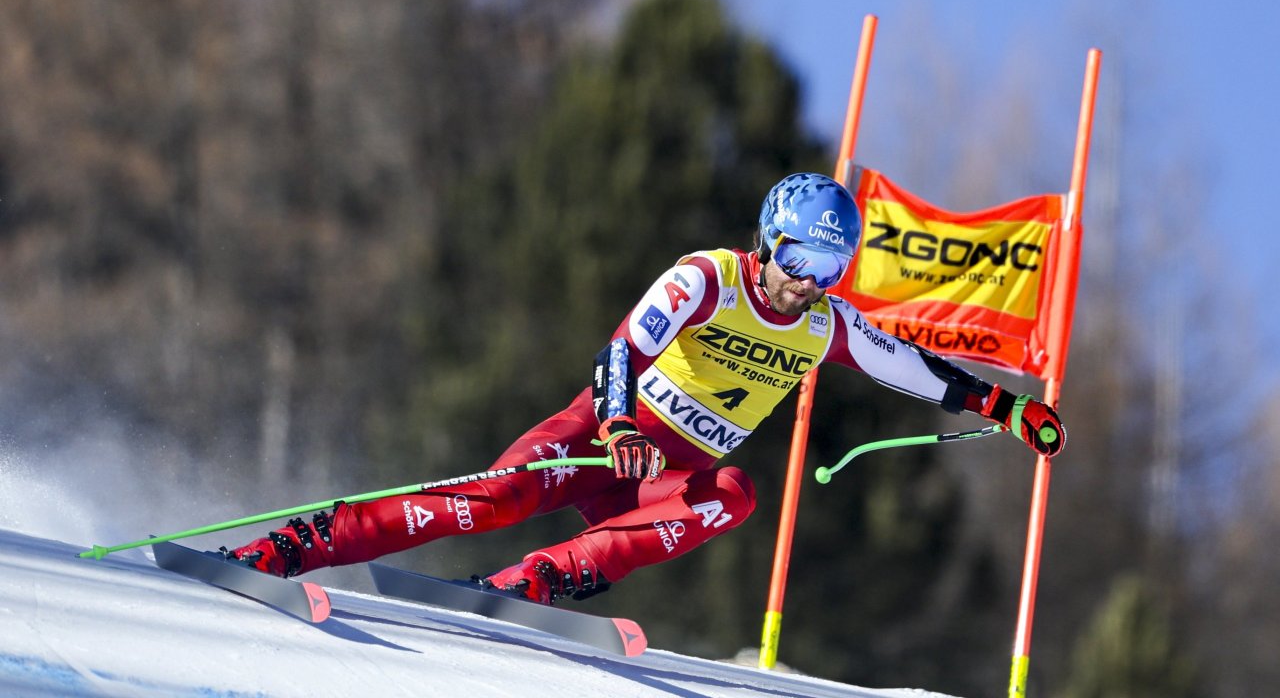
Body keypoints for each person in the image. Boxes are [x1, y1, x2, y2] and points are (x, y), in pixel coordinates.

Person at [228, 172, 1065, 605]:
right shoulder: (709, 278)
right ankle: (301, 544)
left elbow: (915, 367)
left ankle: (541, 580)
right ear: (769, 240)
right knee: (497, 497)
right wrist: (620, 425)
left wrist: (1009, 408)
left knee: (734, 494)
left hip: (665, 477)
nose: (805, 283)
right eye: (798, 259)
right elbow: (621, 352)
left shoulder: (825, 323)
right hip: (605, 438)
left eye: (829, 269)